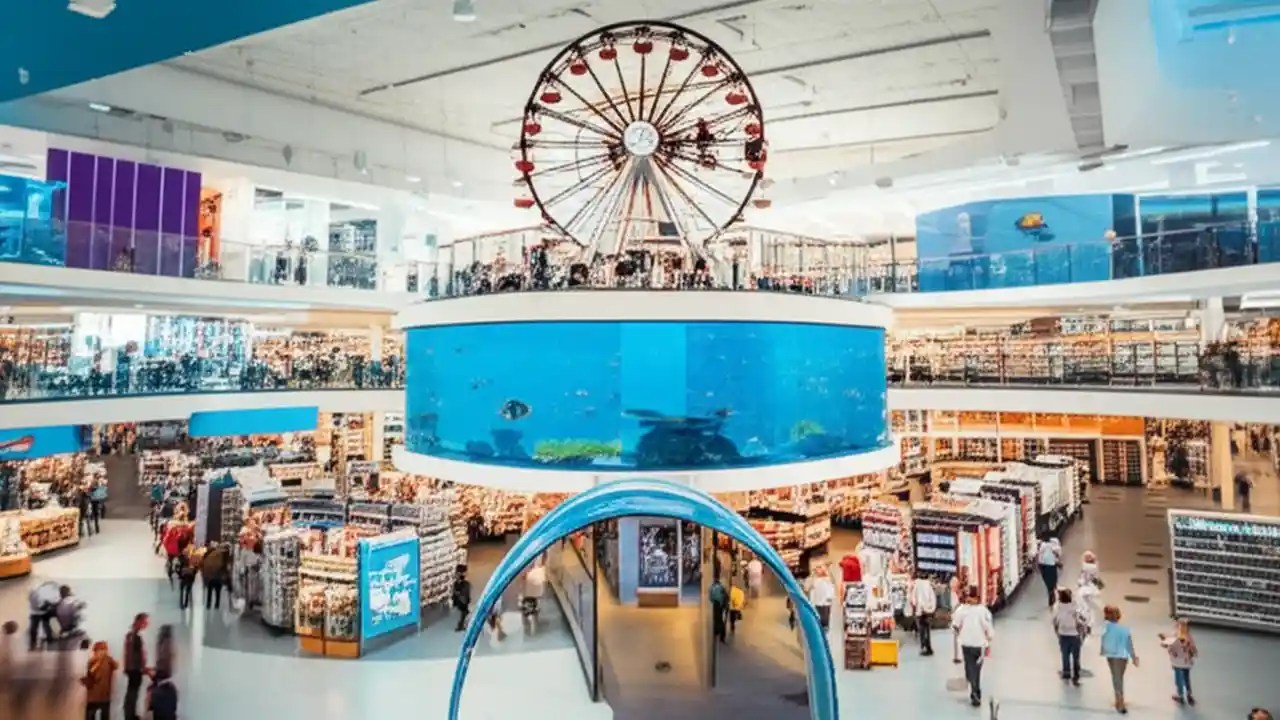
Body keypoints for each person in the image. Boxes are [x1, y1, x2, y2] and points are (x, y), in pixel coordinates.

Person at [951, 588, 994, 707]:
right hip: (979, 645)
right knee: (977, 669)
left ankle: (974, 690)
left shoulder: (961, 610)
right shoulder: (983, 611)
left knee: (970, 667)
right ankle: (976, 691)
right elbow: (988, 627)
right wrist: (989, 638)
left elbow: (955, 625)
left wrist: (958, 634)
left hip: (966, 643)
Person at [1101, 605, 1139, 714]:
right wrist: (1133, 657)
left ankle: (1120, 702)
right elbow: (1129, 644)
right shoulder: (1124, 629)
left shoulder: (1106, 628)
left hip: (1113, 657)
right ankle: (1119, 699)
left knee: (1116, 679)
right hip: (1123, 657)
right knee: (1119, 678)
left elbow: (1105, 642)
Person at [1159, 619, 1197, 705]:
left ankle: (1180, 696)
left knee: (1179, 680)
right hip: (1187, 663)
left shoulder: (1175, 637)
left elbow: (1165, 645)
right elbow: (1194, 650)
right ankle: (1189, 694)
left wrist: (1163, 639)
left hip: (1177, 663)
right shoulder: (1189, 637)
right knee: (1186, 679)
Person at [1052, 587, 1084, 685]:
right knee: (1076, 656)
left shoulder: (1057, 607)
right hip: (1075, 634)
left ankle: (1066, 673)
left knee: (1065, 655)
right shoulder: (1075, 605)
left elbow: (1055, 620)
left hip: (1063, 634)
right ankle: (1076, 674)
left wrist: (1057, 632)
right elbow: (1081, 619)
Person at [81, 640, 118, 720]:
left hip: (103, 694)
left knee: (102, 714)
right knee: (92, 714)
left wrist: (107, 659)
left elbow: (116, 666)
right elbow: (91, 673)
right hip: (94, 695)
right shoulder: (93, 661)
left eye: (104, 650)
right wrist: (98, 662)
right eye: (99, 650)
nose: (101, 652)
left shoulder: (108, 660)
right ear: (95, 651)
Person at [122, 612, 149, 720]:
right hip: (135, 669)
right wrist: (142, 667)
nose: (146, 624)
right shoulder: (135, 636)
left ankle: (130, 714)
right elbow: (138, 654)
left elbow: (129, 653)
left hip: (132, 668)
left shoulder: (131, 635)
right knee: (133, 692)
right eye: (145, 622)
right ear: (139, 621)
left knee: (132, 692)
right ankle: (130, 715)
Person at [909, 571, 937, 656]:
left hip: (920, 611)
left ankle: (924, 647)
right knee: (927, 629)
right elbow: (933, 598)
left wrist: (915, 607)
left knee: (921, 630)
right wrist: (931, 609)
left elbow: (913, 599)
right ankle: (929, 648)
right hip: (928, 611)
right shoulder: (929, 585)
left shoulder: (916, 585)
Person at [27, 580, 59, 650]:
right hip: (41, 612)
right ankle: (49, 639)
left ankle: (33, 641)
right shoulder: (41, 594)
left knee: (34, 628)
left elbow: (30, 600)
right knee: (45, 625)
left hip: (34, 612)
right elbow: (42, 606)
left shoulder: (32, 592)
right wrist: (49, 605)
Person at [201, 542, 230, 609]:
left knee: (210, 590)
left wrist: (204, 576)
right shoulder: (222, 555)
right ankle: (217, 604)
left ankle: (208, 604)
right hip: (218, 576)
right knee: (218, 591)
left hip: (210, 576)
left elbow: (204, 564)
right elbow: (223, 567)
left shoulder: (209, 554)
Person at [807, 565, 835, 631]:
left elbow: (832, 583)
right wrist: (812, 576)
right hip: (816, 601)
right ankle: (820, 628)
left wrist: (827, 570)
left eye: (820, 569)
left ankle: (825, 628)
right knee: (818, 616)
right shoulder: (814, 579)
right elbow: (807, 588)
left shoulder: (827, 579)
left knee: (825, 617)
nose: (818, 571)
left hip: (825, 602)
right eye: (817, 569)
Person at [521, 563, 546, 634]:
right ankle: (533, 625)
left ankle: (529, 627)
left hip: (529, 594)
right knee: (533, 608)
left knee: (528, 610)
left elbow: (524, 577)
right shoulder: (539, 570)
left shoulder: (531, 571)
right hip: (534, 594)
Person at [1038, 537, 1063, 607]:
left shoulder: (1043, 545)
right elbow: (1058, 555)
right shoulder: (1056, 547)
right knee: (1053, 581)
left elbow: (1040, 555)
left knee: (1047, 580)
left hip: (1043, 565)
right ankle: (1052, 592)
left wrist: (1039, 564)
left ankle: (1050, 592)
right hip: (1051, 565)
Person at [709, 575, 729, 643]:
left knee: (716, 619)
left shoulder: (712, 587)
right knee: (721, 620)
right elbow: (726, 596)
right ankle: (722, 637)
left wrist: (714, 601)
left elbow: (711, 598)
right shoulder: (722, 587)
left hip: (716, 604)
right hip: (722, 605)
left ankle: (716, 632)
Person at [452, 565, 471, 632]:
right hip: (461, 602)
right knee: (463, 612)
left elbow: (464, 594)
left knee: (463, 612)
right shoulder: (457, 584)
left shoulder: (466, 584)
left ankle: (462, 624)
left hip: (462, 602)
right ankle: (462, 624)